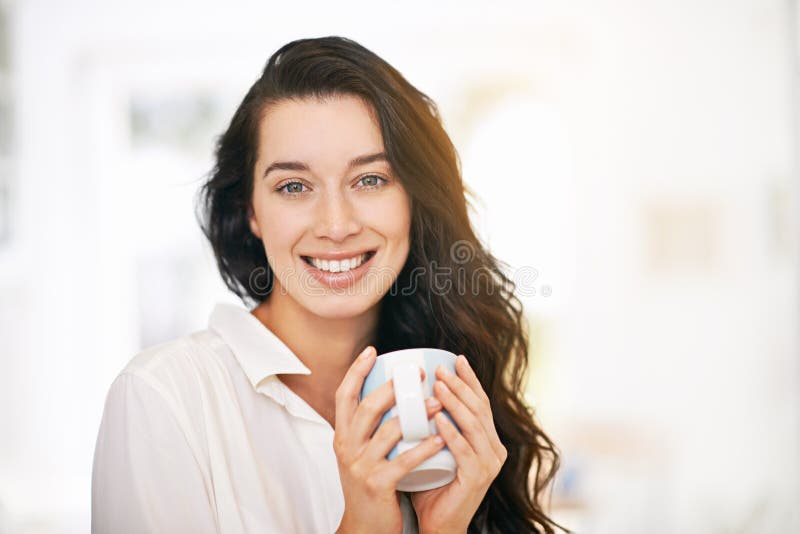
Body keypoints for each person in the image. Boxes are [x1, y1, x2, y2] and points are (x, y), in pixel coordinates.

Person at [91, 36, 566, 534]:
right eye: (294, 187)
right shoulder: (163, 399)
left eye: (370, 180)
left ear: (414, 199)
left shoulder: (445, 392)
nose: (336, 225)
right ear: (251, 210)